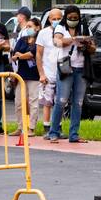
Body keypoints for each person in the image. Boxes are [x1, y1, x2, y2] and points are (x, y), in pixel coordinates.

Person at [48, 6, 93, 143]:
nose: (73, 20)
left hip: (81, 68)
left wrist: (86, 45)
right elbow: (57, 42)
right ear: (65, 17)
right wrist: (74, 39)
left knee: (78, 103)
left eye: (75, 18)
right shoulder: (60, 28)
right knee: (61, 100)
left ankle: (74, 134)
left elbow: (93, 47)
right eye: (70, 18)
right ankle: (54, 132)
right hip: (66, 68)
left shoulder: (85, 28)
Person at [11, 15, 41, 134]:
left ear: (37, 27)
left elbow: (32, 54)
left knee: (33, 102)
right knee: (19, 102)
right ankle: (20, 127)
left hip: (34, 75)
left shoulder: (39, 40)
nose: (27, 29)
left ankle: (31, 128)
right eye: (27, 26)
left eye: (30, 26)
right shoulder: (22, 39)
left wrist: (21, 55)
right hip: (21, 75)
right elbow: (14, 53)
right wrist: (19, 56)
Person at [37, 7, 63, 138]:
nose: (57, 21)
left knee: (61, 102)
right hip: (48, 73)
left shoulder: (65, 32)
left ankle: (58, 127)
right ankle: (47, 127)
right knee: (47, 102)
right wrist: (41, 73)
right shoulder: (43, 33)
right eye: (54, 19)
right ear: (49, 19)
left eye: (59, 19)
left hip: (63, 72)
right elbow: (38, 54)